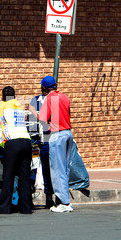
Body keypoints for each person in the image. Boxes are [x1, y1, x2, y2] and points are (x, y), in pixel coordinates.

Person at [0, 86, 33, 214]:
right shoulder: (18, 106)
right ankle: (26, 207)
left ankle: (4, 208)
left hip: (12, 143)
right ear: (14, 96)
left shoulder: (1, 106)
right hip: (26, 141)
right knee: (24, 177)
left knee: (8, 176)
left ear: (2, 96)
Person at [38, 76, 74, 213]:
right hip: (68, 133)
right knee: (65, 169)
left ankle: (64, 202)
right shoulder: (65, 97)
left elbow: (42, 119)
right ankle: (65, 201)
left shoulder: (48, 98)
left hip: (57, 134)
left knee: (57, 170)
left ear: (44, 88)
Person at [28, 82, 54, 208]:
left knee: (42, 167)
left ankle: (47, 197)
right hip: (39, 136)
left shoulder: (38, 100)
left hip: (44, 136)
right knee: (37, 167)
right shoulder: (50, 100)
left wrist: (36, 114)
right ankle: (46, 197)